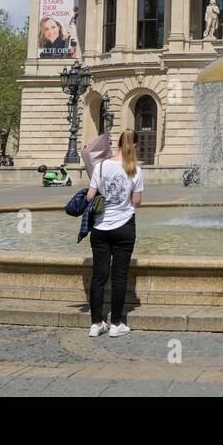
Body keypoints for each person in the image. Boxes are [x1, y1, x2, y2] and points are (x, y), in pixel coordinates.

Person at [87, 129, 145, 338]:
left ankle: (95, 323)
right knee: (119, 277)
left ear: (117, 144)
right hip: (124, 227)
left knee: (98, 277)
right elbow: (136, 202)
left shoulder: (101, 166)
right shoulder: (135, 169)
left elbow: (90, 196)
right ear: (135, 146)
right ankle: (116, 324)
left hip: (101, 228)